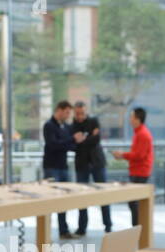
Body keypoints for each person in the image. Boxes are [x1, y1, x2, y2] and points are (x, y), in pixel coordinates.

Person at [42, 100, 80, 239]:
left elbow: (67, 146)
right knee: (50, 200)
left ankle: (63, 231)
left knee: (63, 200)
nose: (68, 115)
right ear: (59, 110)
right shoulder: (49, 126)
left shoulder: (65, 127)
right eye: (67, 112)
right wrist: (71, 139)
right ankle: (44, 232)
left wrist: (74, 141)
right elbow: (53, 145)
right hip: (51, 167)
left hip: (63, 167)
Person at [72, 101, 111, 235]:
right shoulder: (72, 126)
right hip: (82, 165)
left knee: (103, 194)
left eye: (82, 113)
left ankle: (108, 225)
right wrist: (89, 136)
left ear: (86, 111)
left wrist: (83, 139)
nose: (80, 116)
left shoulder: (94, 121)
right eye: (77, 113)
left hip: (97, 163)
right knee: (82, 197)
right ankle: (82, 227)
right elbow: (74, 144)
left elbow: (97, 139)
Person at [113, 107, 153, 225]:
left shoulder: (143, 134)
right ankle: (136, 229)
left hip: (140, 172)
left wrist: (122, 155)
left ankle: (137, 229)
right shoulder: (138, 133)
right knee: (133, 203)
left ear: (137, 119)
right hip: (136, 171)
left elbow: (139, 155)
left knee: (134, 203)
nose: (129, 119)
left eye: (131, 117)